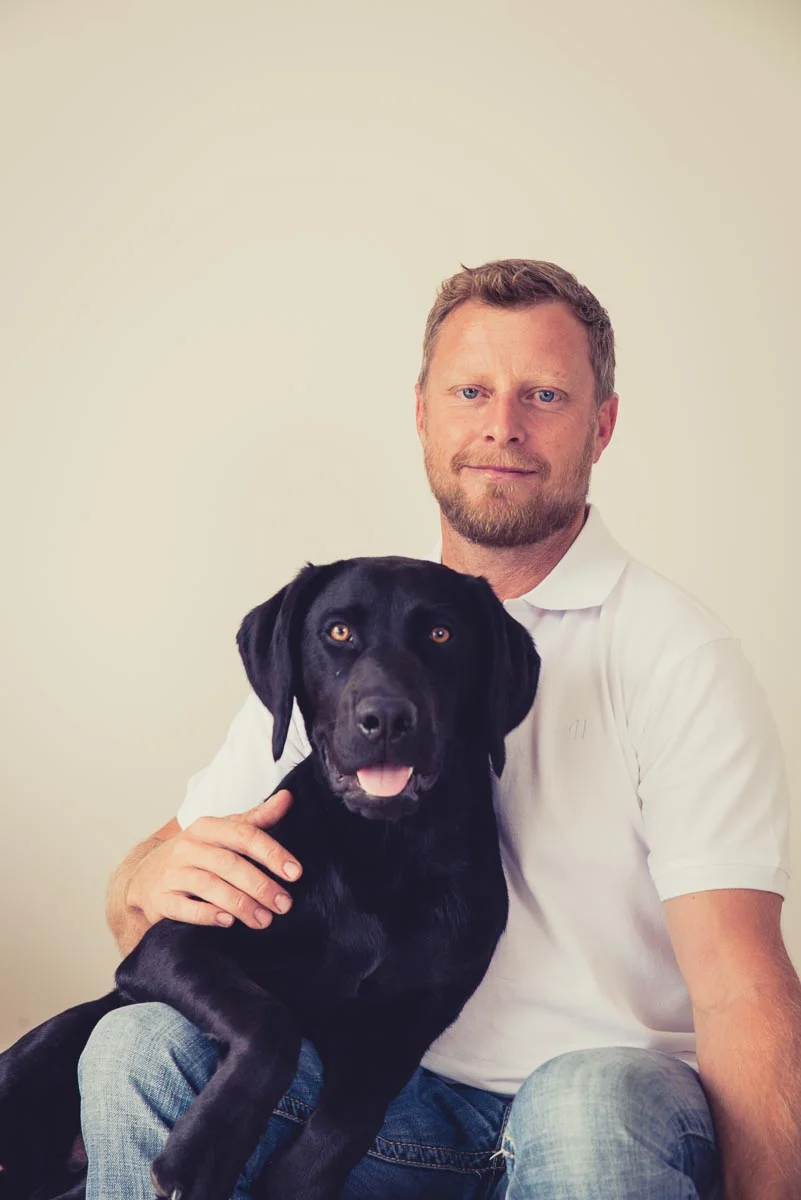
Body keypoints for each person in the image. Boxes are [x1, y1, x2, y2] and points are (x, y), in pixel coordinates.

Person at [78, 260, 800, 1199]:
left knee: (586, 1099)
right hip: (380, 1107)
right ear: (423, 414)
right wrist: (142, 877)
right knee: (136, 1045)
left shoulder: (675, 654)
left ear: (602, 424)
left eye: (543, 394)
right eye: (471, 391)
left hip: (602, 1111)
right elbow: (143, 898)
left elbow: (744, 987)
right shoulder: (348, 633)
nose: (502, 424)